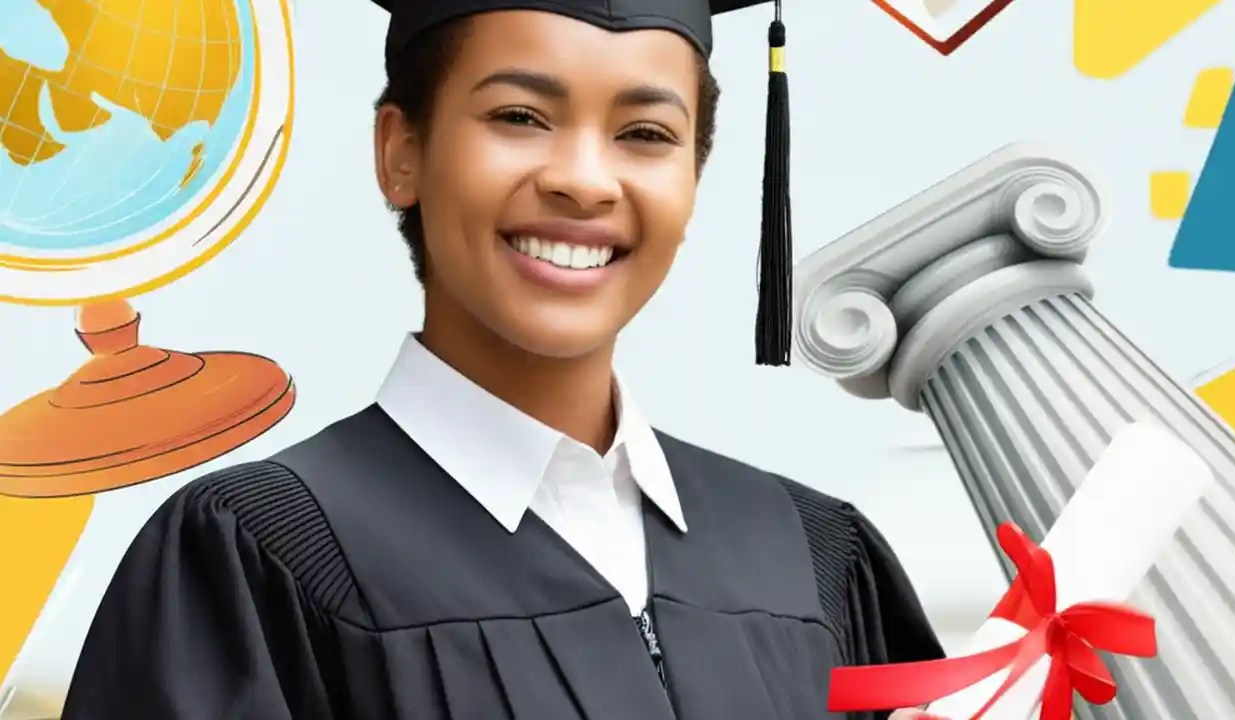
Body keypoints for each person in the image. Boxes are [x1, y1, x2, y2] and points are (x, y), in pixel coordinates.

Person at [61, 0, 950, 717]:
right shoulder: (253, 558)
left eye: (645, 134)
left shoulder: (813, 556)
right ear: (400, 152)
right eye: (520, 117)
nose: (585, 180)